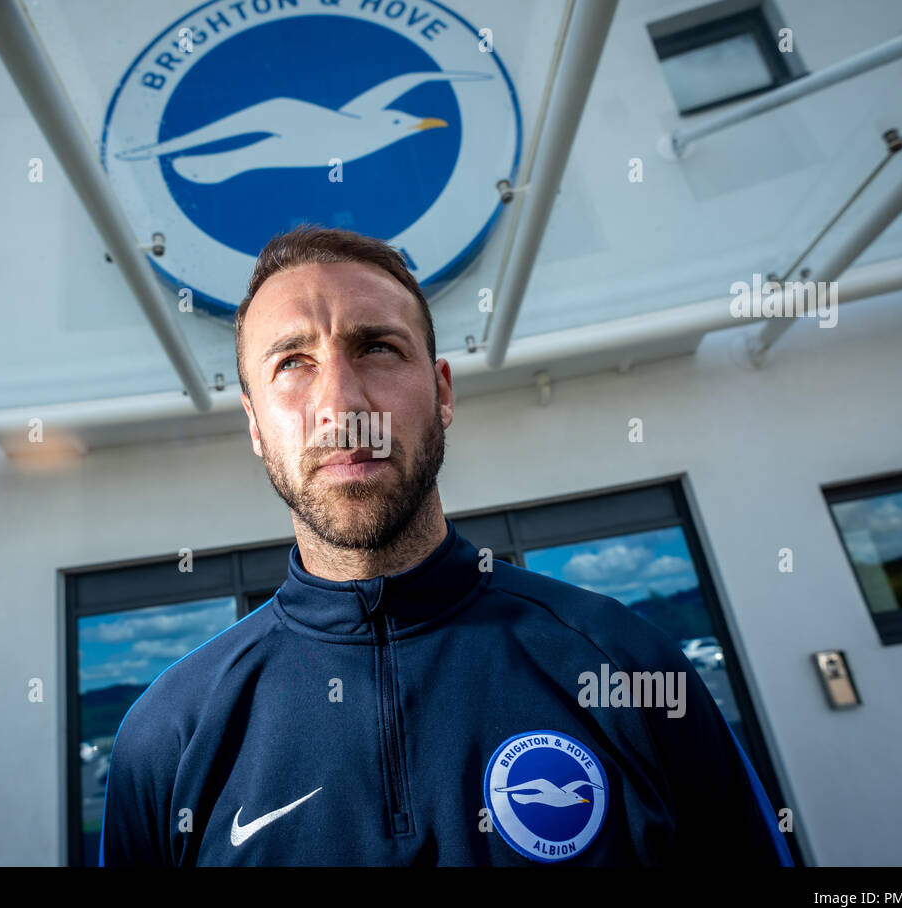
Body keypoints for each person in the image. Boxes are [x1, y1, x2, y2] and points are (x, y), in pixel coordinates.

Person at [100, 224, 792, 866]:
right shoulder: (166, 738)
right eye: (292, 363)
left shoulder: (626, 665)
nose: (342, 407)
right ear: (254, 425)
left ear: (442, 392)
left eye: (376, 347)